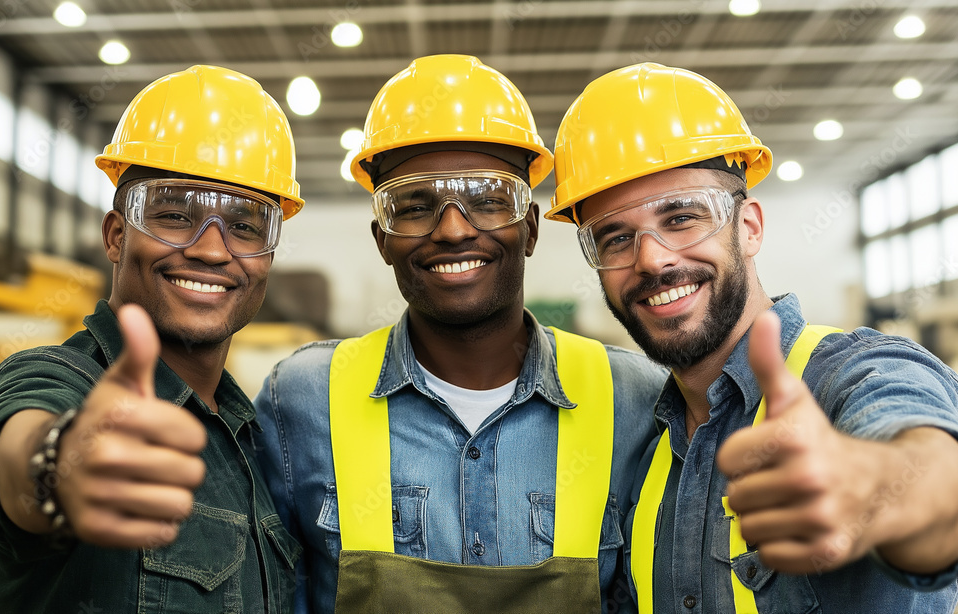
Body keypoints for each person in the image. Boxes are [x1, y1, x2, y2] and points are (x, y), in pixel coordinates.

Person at [253, 54, 667, 613]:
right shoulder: (301, 399)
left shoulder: (636, 399)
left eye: (488, 200)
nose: (452, 229)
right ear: (382, 239)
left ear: (530, 229)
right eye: (415, 206)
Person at [545, 61, 958, 613]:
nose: (651, 259)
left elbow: (932, 475)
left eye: (682, 217)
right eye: (616, 238)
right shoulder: (646, 455)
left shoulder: (849, 374)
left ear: (749, 226)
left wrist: (874, 483)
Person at [0, 65, 305, 613]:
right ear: (116, 235)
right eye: (173, 213)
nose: (212, 250)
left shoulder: (252, 435)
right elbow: (24, 454)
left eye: (245, 226)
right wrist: (65, 465)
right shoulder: (54, 377)